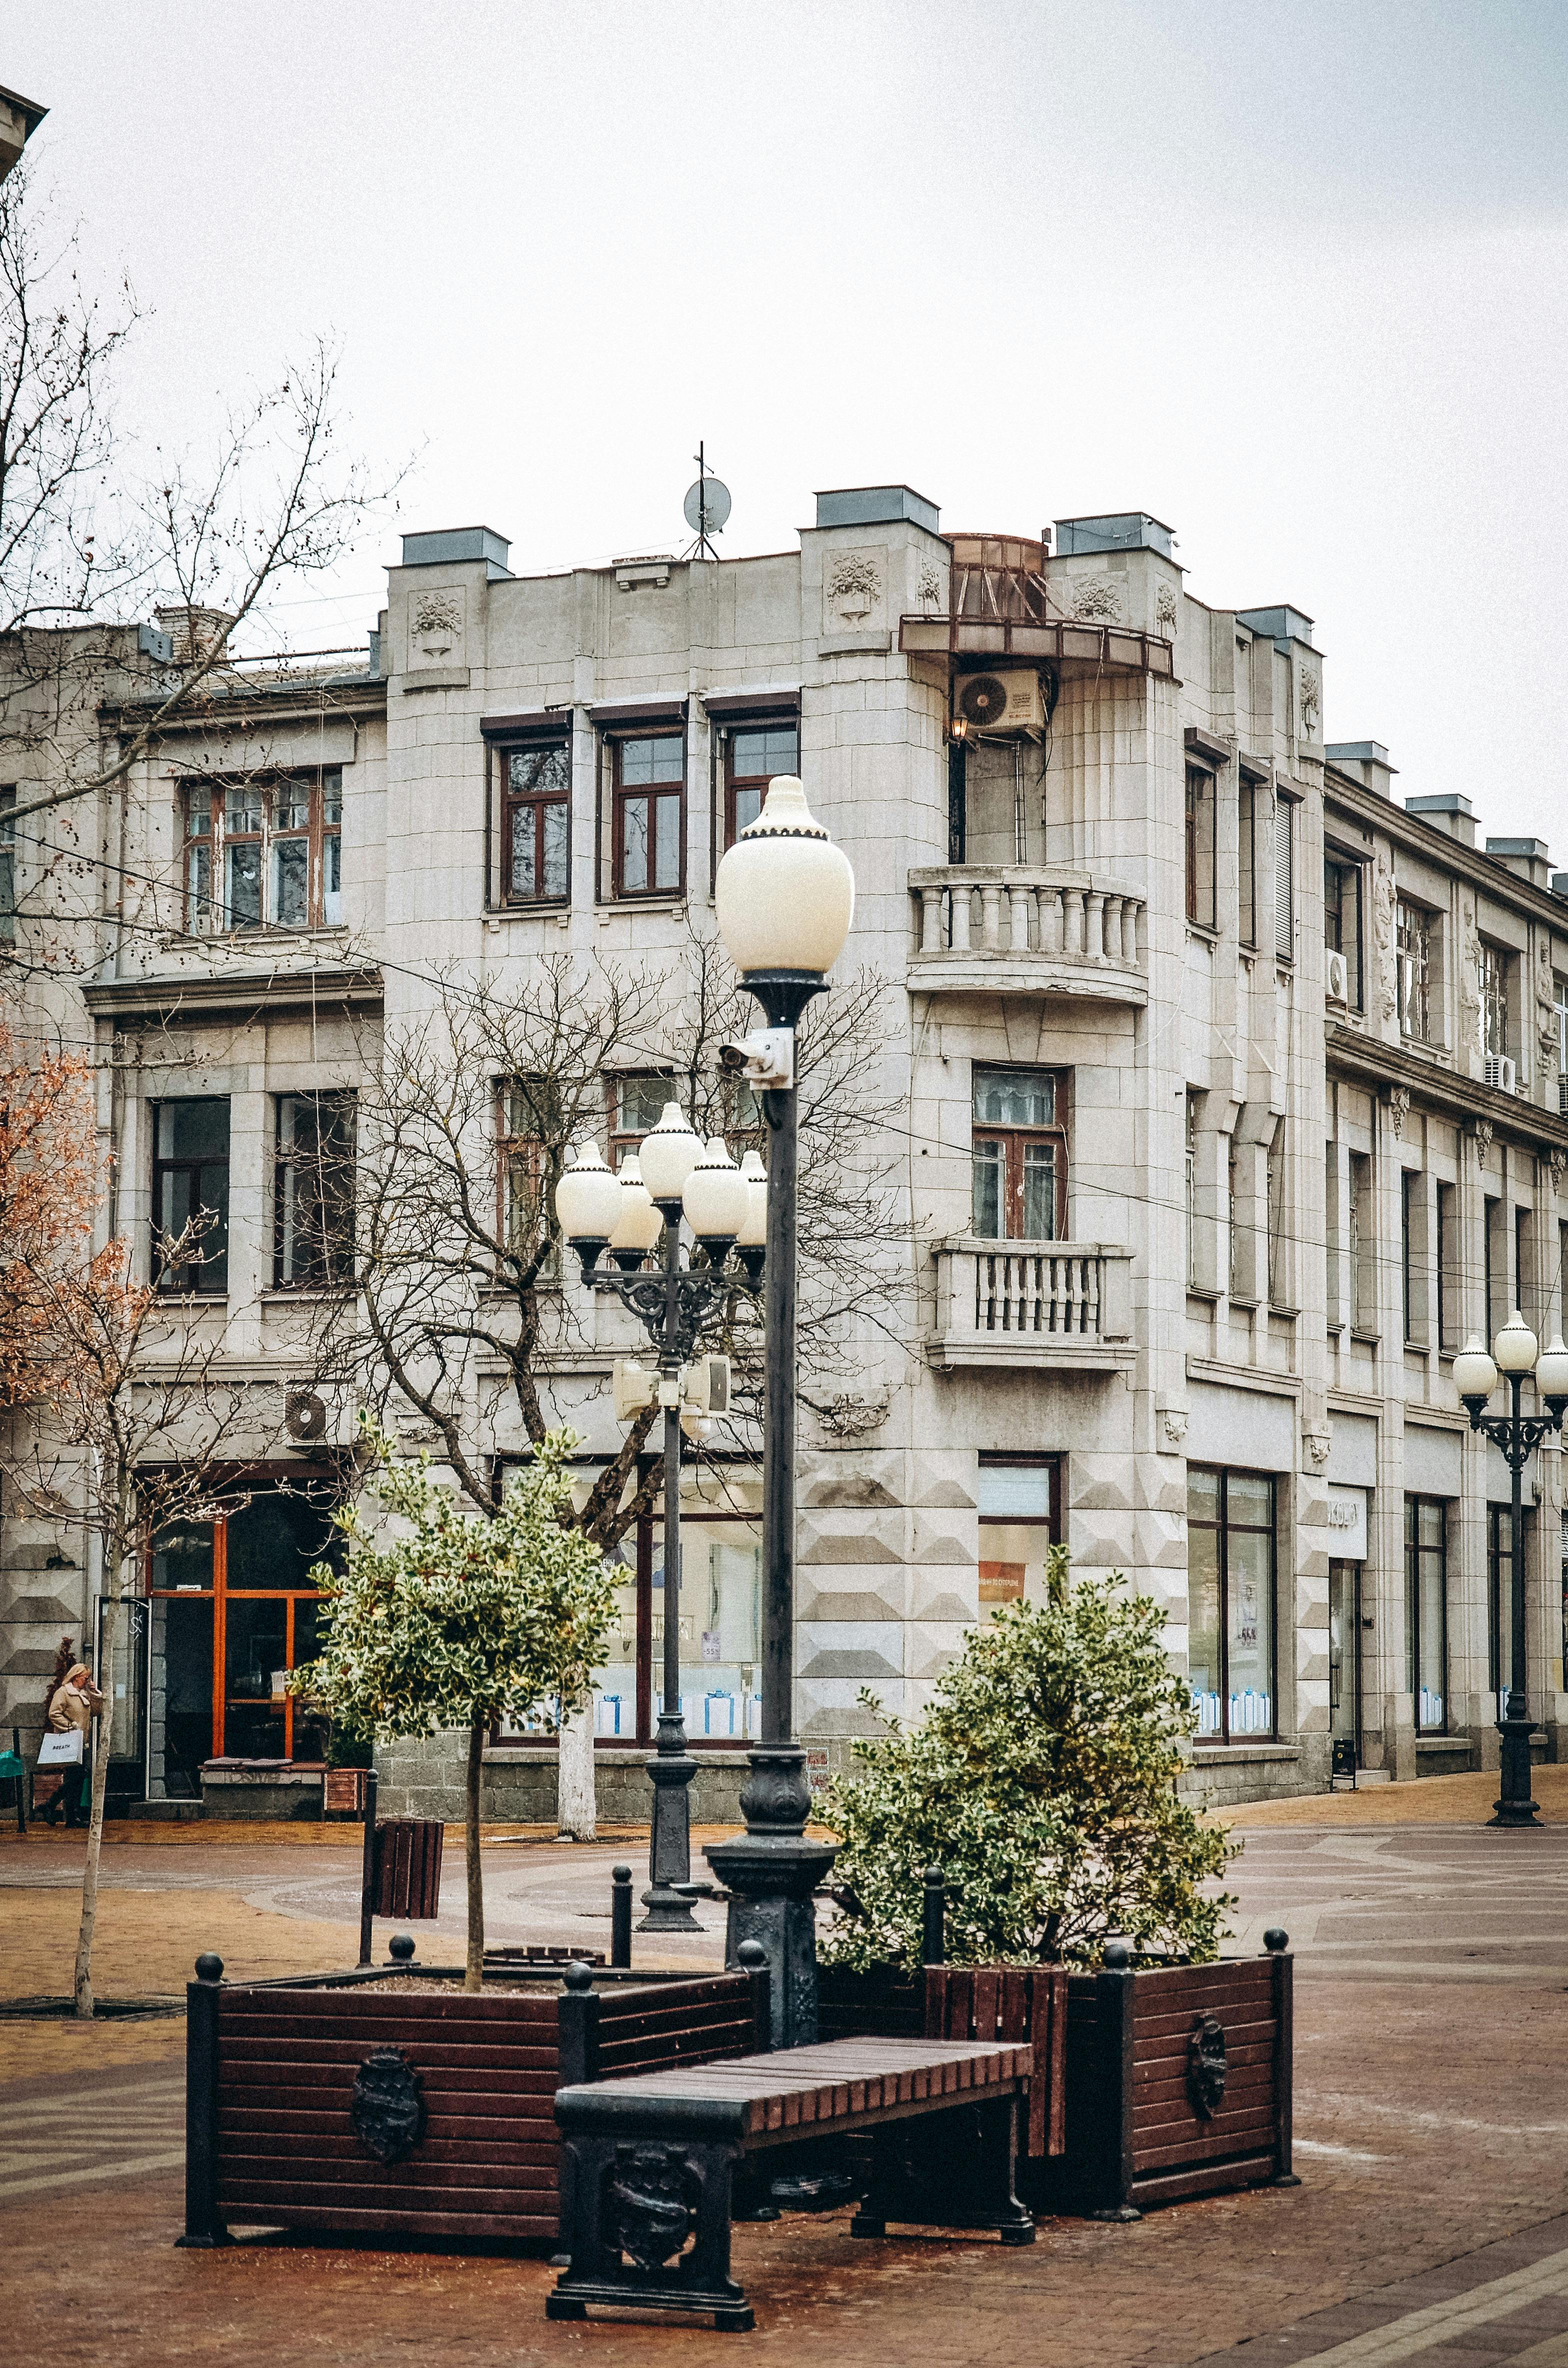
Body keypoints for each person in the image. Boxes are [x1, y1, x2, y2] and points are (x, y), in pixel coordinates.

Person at [46, 1661, 105, 1829]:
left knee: (77, 1780)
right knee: (76, 1777)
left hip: (82, 1741)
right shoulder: (64, 1692)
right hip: (69, 1740)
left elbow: (96, 1712)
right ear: (75, 1676)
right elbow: (54, 1713)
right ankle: (54, 1807)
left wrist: (94, 1693)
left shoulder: (84, 1693)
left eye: (88, 1678)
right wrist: (70, 1726)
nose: (86, 1681)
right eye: (84, 1678)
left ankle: (69, 1816)